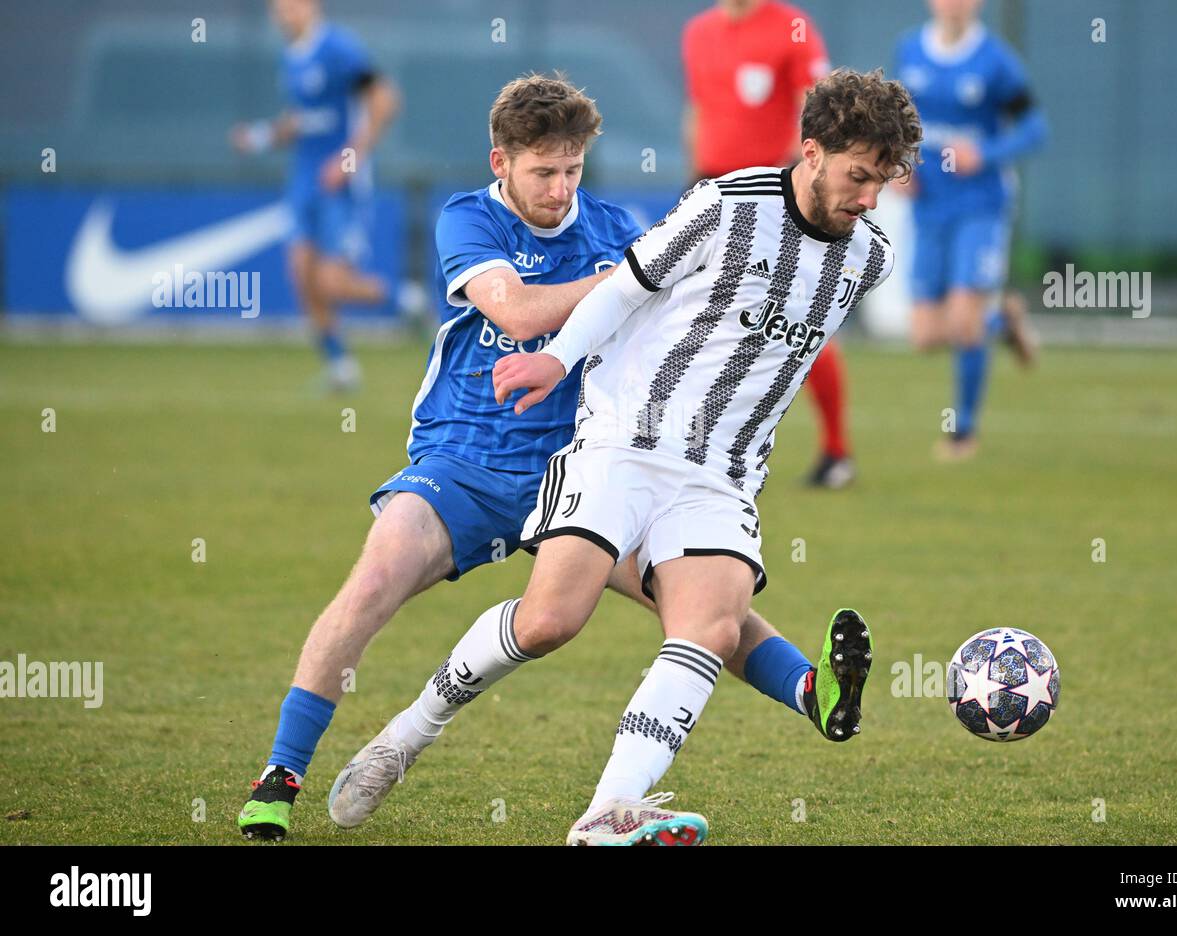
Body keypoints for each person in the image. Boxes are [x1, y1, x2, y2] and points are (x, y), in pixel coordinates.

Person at [239, 73, 872, 843]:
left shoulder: (614, 225)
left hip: (581, 460)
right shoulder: (468, 219)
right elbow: (518, 309)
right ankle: (280, 774)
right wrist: (632, 278)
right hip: (464, 459)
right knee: (373, 581)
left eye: (572, 170)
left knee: (704, 610)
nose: (559, 188)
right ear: (500, 162)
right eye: (543, 171)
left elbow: (676, 316)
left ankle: (812, 690)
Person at [682, 0, 854, 488]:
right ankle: (687, 441)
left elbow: (817, 111)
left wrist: (797, 186)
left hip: (770, 192)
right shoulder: (698, 32)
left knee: (799, 317)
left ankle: (837, 450)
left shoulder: (792, 27)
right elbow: (698, 108)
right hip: (709, 188)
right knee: (687, 314)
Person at [893, 0, 1047, 460]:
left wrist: (987, 152)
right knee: (923, 336)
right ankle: (1002, 324)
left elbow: (1036, 129)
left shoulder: (996, 61)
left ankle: (963, 431)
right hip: (929, 207)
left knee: (962, 322)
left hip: (980, 206)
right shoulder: (909, 51)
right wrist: (899, 165)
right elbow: (898, 124)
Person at [230, 0, 399, 392]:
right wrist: (257, 138)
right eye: (278, 7)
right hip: (303, 181)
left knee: (331, 283)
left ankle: (406, 303)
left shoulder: (339, 48)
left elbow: (385, 100)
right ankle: (341, 365)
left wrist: (350, 158)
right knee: (300, 275)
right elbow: (299, 122)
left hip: (339, 185)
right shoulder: (291, 58)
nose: (285, 12)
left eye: (292, 4)